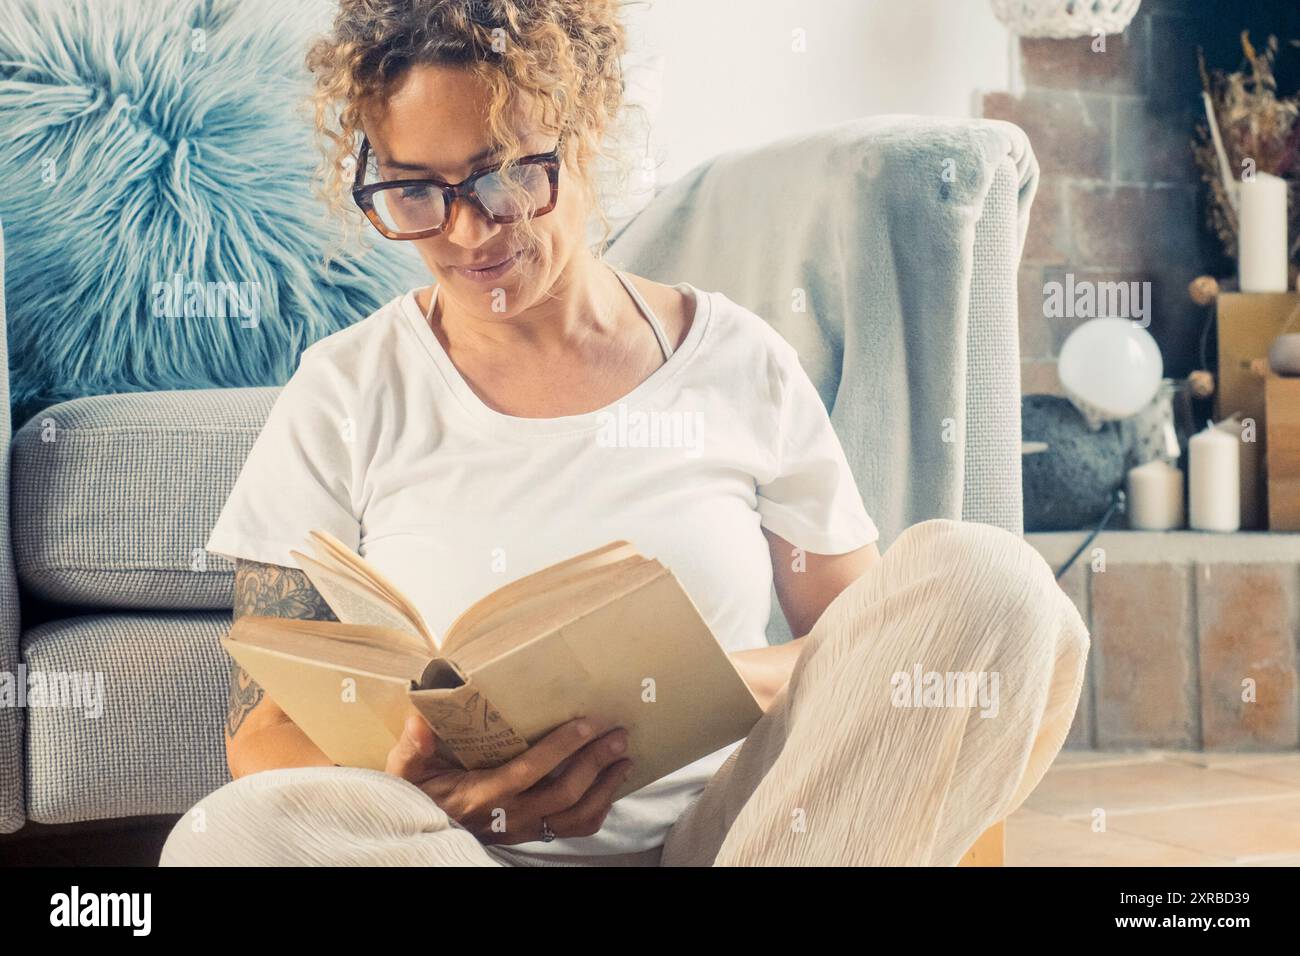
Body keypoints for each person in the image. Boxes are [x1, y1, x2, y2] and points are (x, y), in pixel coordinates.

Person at [161, 0, 1088, 867]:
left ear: (588, 129)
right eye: (416, 193)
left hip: (736, 840)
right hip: (453, 850)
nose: (468, 231)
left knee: (996, 588)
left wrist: (677, 685)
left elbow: (862, 652)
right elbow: (259, 733)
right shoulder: (342, 389)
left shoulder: (739, 363)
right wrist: (428, 794)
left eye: (505, 175)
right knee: (223, 838)